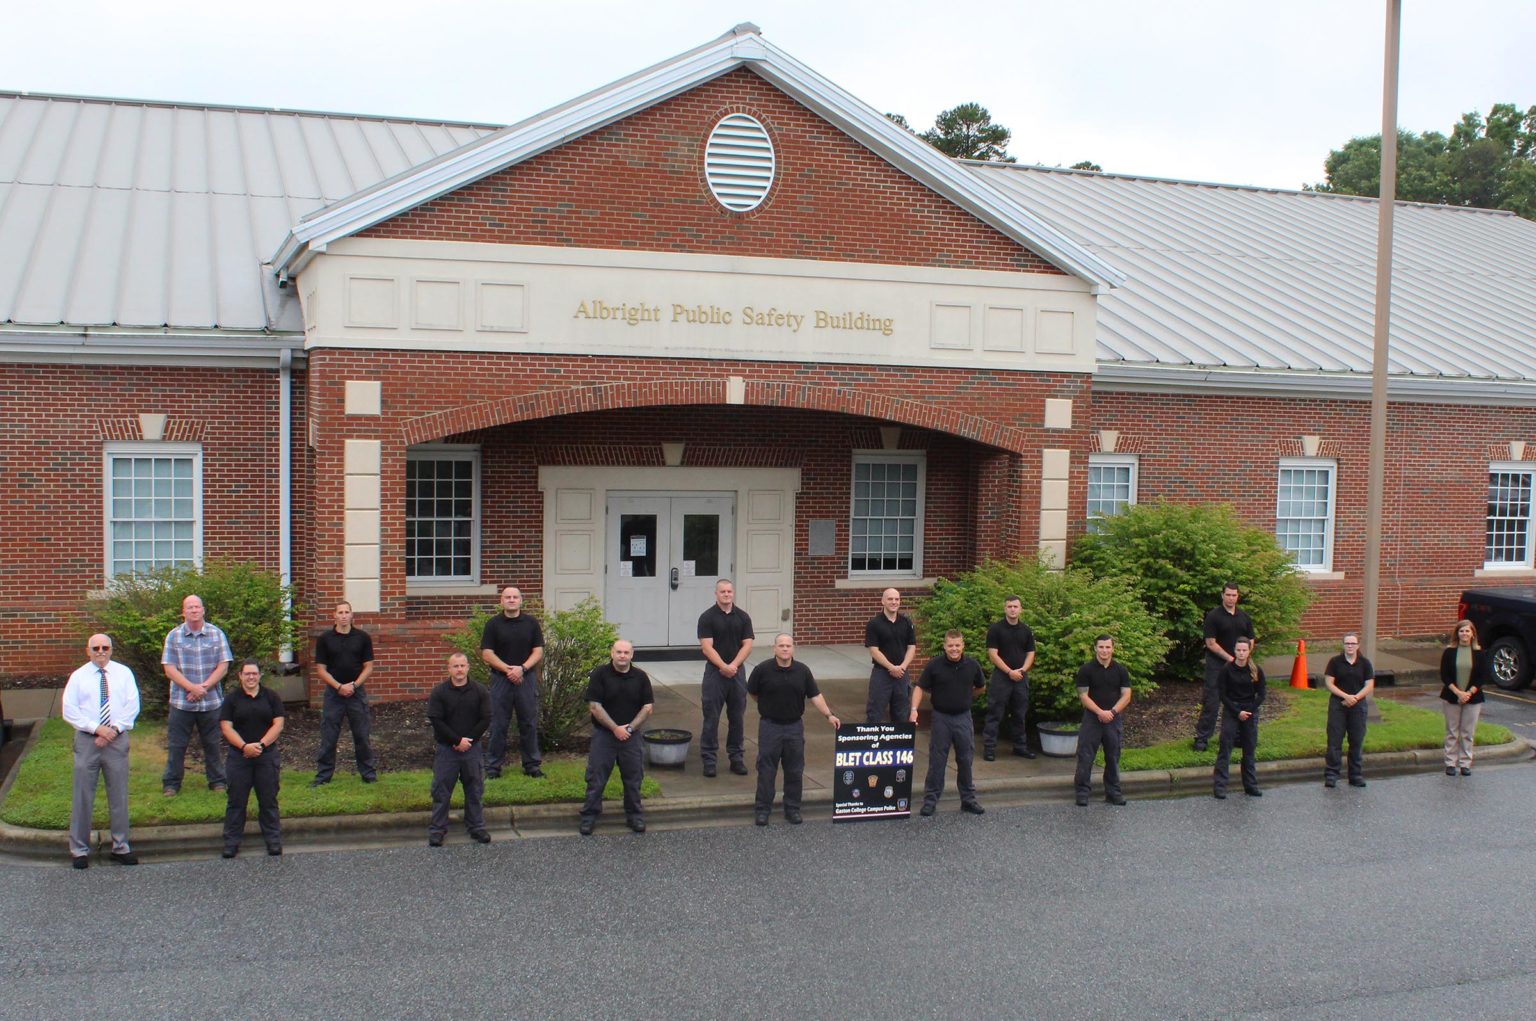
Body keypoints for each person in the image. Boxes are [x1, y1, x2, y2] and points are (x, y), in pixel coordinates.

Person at [62, 634, 140, 868]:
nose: (100, 651)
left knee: (119, 795)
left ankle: (120, 846)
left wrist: (112, 730)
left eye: (105, 647)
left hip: (116, 740)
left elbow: (132, 705)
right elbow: (69, 710)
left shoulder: (124, 673)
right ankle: (79, 850)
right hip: (88, 742)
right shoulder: (78, 677)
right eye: (95, 648)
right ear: (88, 651)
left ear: (111, 650)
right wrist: (96, 729)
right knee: (83, 795)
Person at [747, 633, 840, 826]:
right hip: (770, 727)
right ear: (774, 648)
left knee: (795, 770)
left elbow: (815, 695)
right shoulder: (762, 670)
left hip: (794, 727)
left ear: (793, 648)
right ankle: (763, 810)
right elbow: (753, 692)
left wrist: (829, 715)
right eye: (781, 645)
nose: (785, 649)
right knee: (766, 770)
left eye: (788, 645)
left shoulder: (802, 671)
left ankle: (793, 809)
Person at [579, 639, 655, 836]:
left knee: (633, 778)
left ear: (632, 655)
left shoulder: (640, 677)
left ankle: (634, 816)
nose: (622, 656)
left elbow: (647, 708)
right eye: (619, 652)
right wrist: (615, 728)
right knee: (596, 777)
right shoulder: (599, 675)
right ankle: (589, 816)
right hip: (604, 736)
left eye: (626, 652)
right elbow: (595, 706)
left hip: (631, 737)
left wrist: (628, 729)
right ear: (612, 653)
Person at [161, 594, 232, 796]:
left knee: (212, 744)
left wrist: (203, 688)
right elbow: (170, 669)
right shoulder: (173, 636)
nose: (194, 610)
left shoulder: (216, 634)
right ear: (183, 612)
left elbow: (223, 665)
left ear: (203, 610)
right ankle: (171, 784)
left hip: (211, 703)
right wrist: (191, 688)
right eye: (189, 607)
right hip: (181, 703)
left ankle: (218, 781)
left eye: (197, 607)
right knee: (176, 745)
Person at [910, 630, 985, 817]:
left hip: (963, 718)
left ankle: (968, 800)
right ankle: (930, 801)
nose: (954, 649)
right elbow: (920, 687)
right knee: (937, 760)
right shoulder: (934, 665)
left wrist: (966, 698)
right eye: (950, 645)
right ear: (944, 646)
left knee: (965, 759)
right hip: (941, 718)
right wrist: (913, 710)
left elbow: (981, 687)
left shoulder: (972, 665)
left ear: (963, 646)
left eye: (957, 645)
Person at [218, 660, 285, 858]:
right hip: (239, 758)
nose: (251, 677)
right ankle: (231, 843)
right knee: (236, 801)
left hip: (266, 756)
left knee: (268, 800)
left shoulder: (271, 697)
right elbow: (226, 727)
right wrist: (244, 747)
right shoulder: (232, 699)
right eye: (247, 674)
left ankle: (273, 841)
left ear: (259, 676)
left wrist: (261, 745)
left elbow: (278, 724)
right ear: (240, 676)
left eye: (254, 674)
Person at [310, 600, 378, 787]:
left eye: (346, 612)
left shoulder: (362, 637)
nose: (343, 615)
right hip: (334, 694)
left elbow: (369, 666)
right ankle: (323, 776)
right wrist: (339, 687)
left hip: (357, 694)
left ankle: (368, 775)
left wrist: (354, 686)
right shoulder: (325, 639)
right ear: (334, 615)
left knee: (362, 735)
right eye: (340, 612)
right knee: (329, 736)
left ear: (351, 615)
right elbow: (321, 669)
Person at [427, 652, 493, 847]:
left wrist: (468, 741)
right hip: (447, 750)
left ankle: (476, 827)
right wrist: (456, 740)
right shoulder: (439, 692)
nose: (459, 670)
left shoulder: (480, 691)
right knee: (441, 791)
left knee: (474, 789)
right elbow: (436, 720)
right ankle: (438, 829)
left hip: (472, 750)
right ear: (449, 669)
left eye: (462, 666)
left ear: (468, 667)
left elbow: (486, 718)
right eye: (455, 666)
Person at [480, 585, 545, 779]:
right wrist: (508, 669)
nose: (511, 600)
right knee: (499, 723)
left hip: (526, 679)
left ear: (520, 600)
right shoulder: (493, 624)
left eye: (515, 597)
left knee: (528, 723)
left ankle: (532, 766)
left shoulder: (531, 623)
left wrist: (522, 668)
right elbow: (487, 653)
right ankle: (493, 767)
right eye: (507, 597)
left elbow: (538, 651)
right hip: (501, 680)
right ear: (501, 601)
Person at [697, 578, 754, 777]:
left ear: (733, 593)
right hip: (715, 674)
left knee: (737, 718)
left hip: (737, 673)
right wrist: (723, 666)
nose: (727, 594)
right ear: (716, 594)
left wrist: (734, 666)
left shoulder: (743, 617)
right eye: (723, 592)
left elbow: (747, 644)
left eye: (729, 591)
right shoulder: (707, 617)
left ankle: (736, 758)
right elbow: (706, 647)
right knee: (711, 718)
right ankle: (709, 760)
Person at [1194, 583, 1255, 751]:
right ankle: (1202, 738)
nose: (1231, 598)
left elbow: (1250, 640)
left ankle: (1237, 737)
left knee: (1239, 700)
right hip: (1217, 665)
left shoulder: (1244, 617)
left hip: (1239, 666)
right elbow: (1210, 643)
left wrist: (1243, 658)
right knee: (1212, 701)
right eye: (1228, 595)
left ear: (1238, 596)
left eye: (1234, 595)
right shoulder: (1213, 616)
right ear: (1222, 595)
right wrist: (1230, 658)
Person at [1073, 635, 1132, 807]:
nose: (1104, 651)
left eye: (1107, 647)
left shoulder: (1121, 670)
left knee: (1113, 757)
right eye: (1101, 647)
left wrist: (1112, 712)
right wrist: (1100, 712)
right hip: (1092, 719)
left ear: (1113, 649)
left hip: (1113, 719)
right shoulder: (1086, 670)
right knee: (1085, 756)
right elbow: (1083, 696)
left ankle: (1113, 793)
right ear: (1095, 649)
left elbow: (1127, 695)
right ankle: (1082, 793)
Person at [983, 595, 1037, 760]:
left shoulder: (1026, 630)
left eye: (1015, 606)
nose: (1013, 609)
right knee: (995, 713)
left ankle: (1020, 747)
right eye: (1009, 606)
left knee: (1019, 714)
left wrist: (1022, 670)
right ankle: (989, 748)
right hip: (1002, 677)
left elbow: (1031, 653)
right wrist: (1009, 672)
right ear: (1004, 608)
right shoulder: (996, 629)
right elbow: (993, 654)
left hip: (1021, 678)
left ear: (1020, 609)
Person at [1212, 637, 1266, 799]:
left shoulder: (1256, 670)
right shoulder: (1226, 670)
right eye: (1238, 650)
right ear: (1234, 651)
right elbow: (1222, 694)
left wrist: (1248, 711)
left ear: (1249, 651)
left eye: (1244, 650)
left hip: (1250, 711)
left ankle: (1250, 785)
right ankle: (1220, 786)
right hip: (1232, 710)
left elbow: (1261, 694)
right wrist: (1237, 712)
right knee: (1225, 748)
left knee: (1249, 749)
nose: (1241, 653)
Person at [1323, 632, 1374, 789]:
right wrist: (1346, 696)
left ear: (1358, 645)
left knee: (1356, 741)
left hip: (1358, 707)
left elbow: (1369, 684)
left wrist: (1355, 698)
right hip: (1338, 705)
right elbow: (1329, 683)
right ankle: (1332, 774)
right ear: (1343, 645)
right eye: (1347, 643)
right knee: (1334, 741)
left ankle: (1355, 775)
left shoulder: (1364, 663)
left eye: (1353, 643)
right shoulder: (1335, 662)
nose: (1350, 646)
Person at [1439, 619, 1486, 777]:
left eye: (1467, 631)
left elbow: (1482, 677)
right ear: (1457, 634)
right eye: (1461, 631)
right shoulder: (1450, 652)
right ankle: (1450, 763)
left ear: (1472, 634)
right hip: (1451, 696)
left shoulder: (1479, 653)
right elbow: (1444, 675)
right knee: (1452, 731)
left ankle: (1465, 763)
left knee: (1467, 732)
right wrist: (1458, 692)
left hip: (1473, 698)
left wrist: (1468, 693)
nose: (1464, 634)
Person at [865, 587, 917, 724]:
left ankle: (898, 745)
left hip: (902, 674)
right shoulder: (874, 624)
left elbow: (912, 647)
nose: (894, 602)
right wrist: (891, 667)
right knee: (874, 714)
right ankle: (873, 743)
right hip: (881, 674)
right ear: (882, 601)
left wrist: (902, 667)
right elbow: (874, 650)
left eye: (897, 599)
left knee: (901, 713)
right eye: (890, 599)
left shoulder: (906, 623)